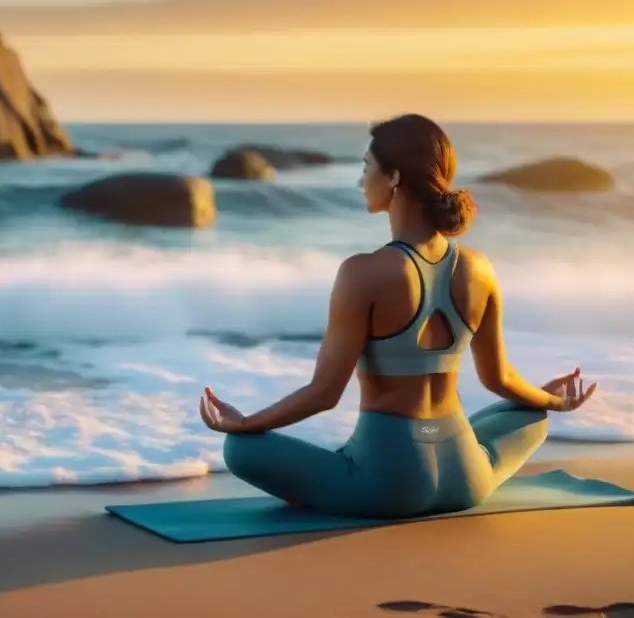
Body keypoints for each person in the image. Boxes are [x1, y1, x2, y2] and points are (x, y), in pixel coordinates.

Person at [198, 114, 597, 518]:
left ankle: (338, 484)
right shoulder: (480, 268)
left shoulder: (362, 273)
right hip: (466, 476)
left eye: (366, 169)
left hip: (390, 485)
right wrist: (552, 401)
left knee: (241, 450)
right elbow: (500, 379)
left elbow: (324, 394)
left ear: (393, 178)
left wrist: (246, 424)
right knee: (531, 414)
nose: (360, 181)